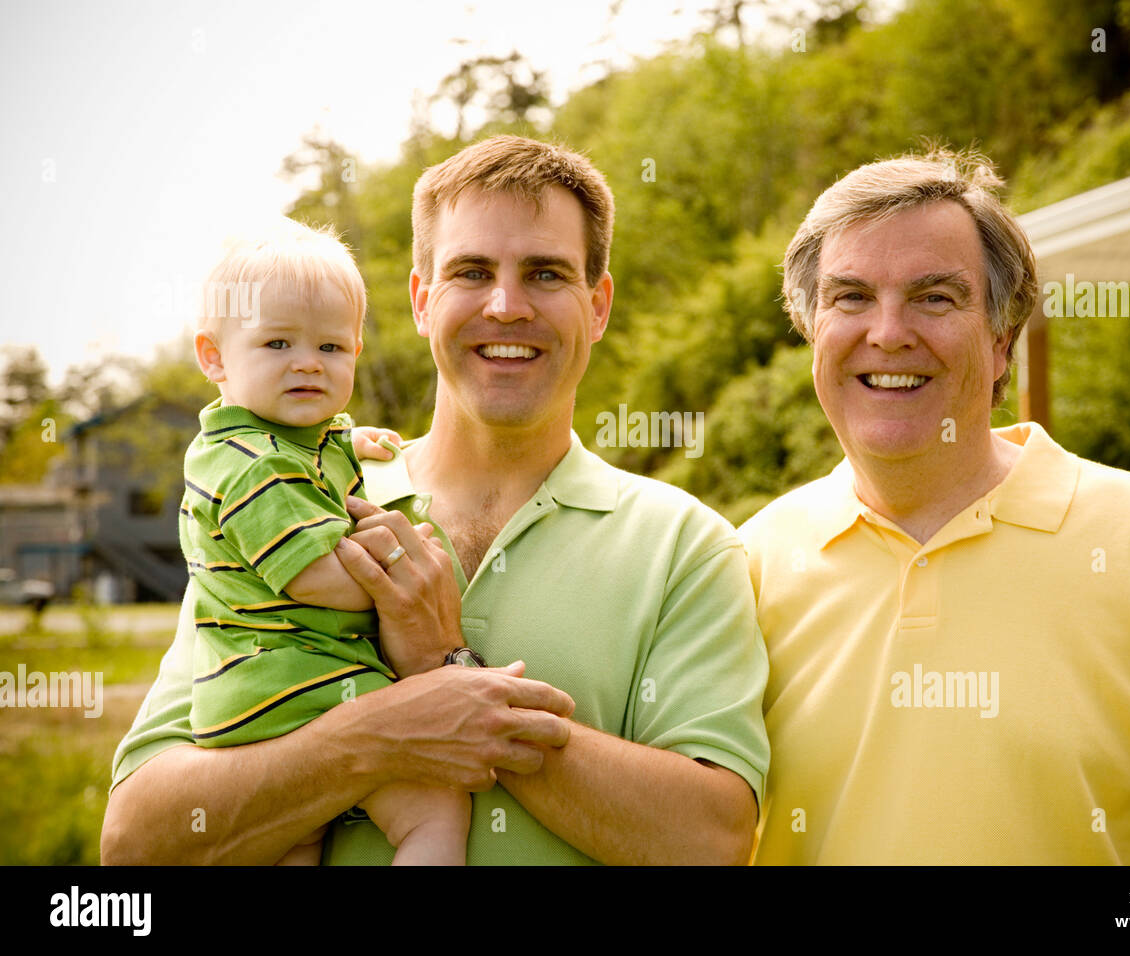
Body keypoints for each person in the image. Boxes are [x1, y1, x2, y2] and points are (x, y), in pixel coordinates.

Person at [101, 136, 769, 866]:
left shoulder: (687, 546)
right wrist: (375, 734)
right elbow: (137, 845)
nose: (507, 306)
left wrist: (442, 667)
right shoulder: (290, 491)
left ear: (598, 306)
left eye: (545, 273)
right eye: (471, 272)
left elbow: (710, 843)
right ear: (422, 301)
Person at [741, 148, 1130, 865]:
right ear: (812, 329)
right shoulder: (747, 563)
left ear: (1002, 342)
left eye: (935, 297)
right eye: (850, 297)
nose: (887, 332)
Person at [182, 220, 468, 865]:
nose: (308, 362)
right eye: (277, 342)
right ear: (214, 357)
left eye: (332, 348)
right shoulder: (257, 466)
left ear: (357, 350)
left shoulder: (275, 440)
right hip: (296, 684)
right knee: (435, 804)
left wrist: (352, 441)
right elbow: (318, 579)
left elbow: (318, 448)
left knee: (296, 838)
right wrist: (408, 584)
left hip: (254, 699)